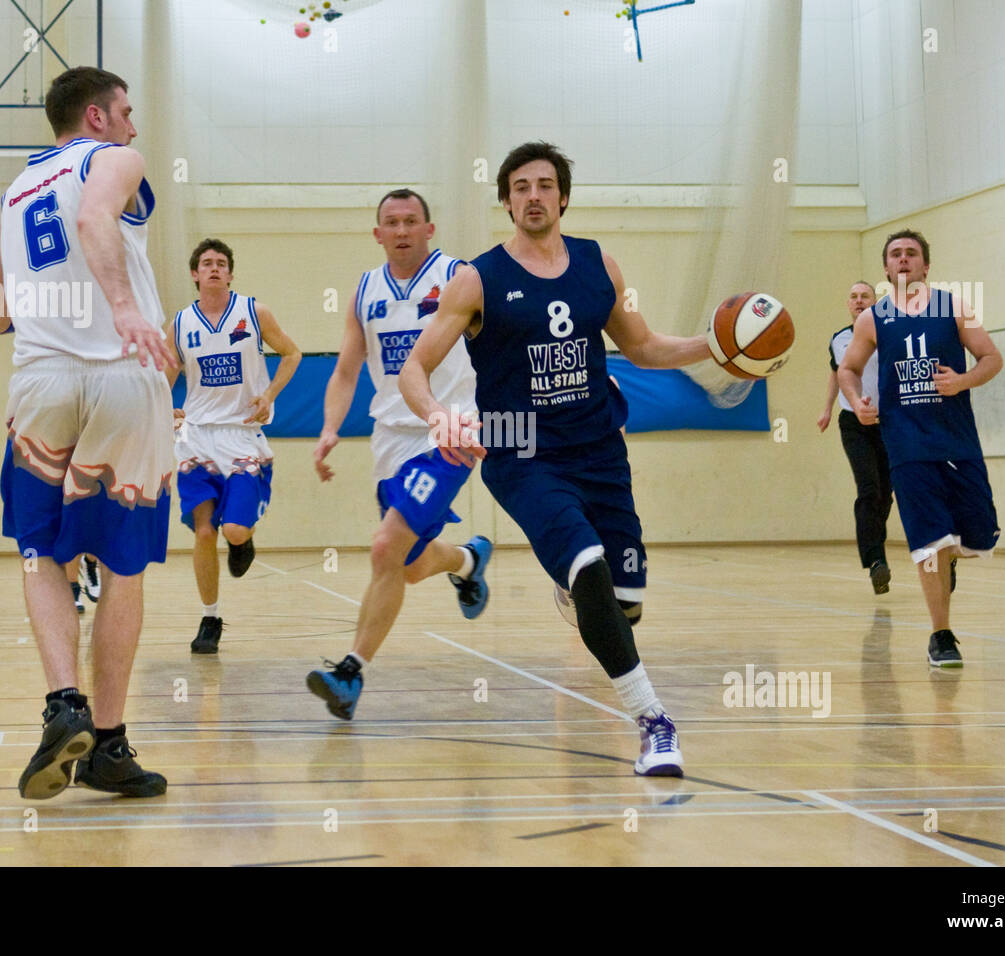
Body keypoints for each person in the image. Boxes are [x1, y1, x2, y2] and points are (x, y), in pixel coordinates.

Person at [399, 142, 712, 776]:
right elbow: (415, 367)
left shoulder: (602, 267)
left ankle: (579, 591)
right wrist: (439, 414)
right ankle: (654, 722)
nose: (533, 195)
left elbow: (645, 347)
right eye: (520, 187)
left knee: (625, 602)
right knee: (590, 563)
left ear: (563, 196)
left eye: (545, 184)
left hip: (600, 450)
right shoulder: (478, 278)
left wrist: (718, 346)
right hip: (521, 452)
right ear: (507, 200)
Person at [0, 66, 175, 797]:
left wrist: (46, 304)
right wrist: (120, 306)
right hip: (123, 375)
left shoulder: (17, 190)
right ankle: (110, 745)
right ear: (94, 116)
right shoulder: (112, 160)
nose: (133, 125)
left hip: (40, 380)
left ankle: (64, 705)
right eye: (125, 110)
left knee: (38, 553)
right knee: (123, 565)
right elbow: (93, 219)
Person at [307, 189, 492, 719]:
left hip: (448, 432)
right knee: (407, 565)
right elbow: (345, 370)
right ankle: (467, 559)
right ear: (378, 234)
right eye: (393, 222)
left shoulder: (461, 277)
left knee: (386, 545)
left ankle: (349, 673)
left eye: (413, 221)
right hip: (390, 438)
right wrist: (328, 429)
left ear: (430, 230)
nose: (403, 229)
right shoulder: (365, 290)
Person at [838, 229, 1003, 668]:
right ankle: (941, 635)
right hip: (906, 444)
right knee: (930, 542)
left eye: (912, 253)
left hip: (957, 440)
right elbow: (848, 369)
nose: (904, 259)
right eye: (896, 254)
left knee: (975, 536)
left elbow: (991, 358)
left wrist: (962, 380)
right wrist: (856, 402)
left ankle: (948, 558)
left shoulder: (954, 308)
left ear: (926, 265)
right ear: (886, 268)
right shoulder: (872, 319)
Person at [166, 238, 301, 654]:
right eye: (206, 263)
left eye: (221, 263)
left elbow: (292, 353)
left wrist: (270, 394)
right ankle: (210, 618)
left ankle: (243, 540)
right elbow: (166, 375)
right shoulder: (179, 323)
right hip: (197, 438)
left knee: (235, 530)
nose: (213, 269)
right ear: (194, 274)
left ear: (230, 273)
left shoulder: (253, 312)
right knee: (205, 532)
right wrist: (161, 409)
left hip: (242, 436)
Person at [817, 280, 895, 594]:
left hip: (888, 421)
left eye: (865, 296)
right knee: (868, 488)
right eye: (853, 296)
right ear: (848, 304)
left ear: (875, 303)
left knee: (885, 494)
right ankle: (876, 561)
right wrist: (826, 408)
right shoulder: (840, 339)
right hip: (854, 422)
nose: (859, 300)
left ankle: (877, 551)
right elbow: (838, 373)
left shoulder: (888, 334)